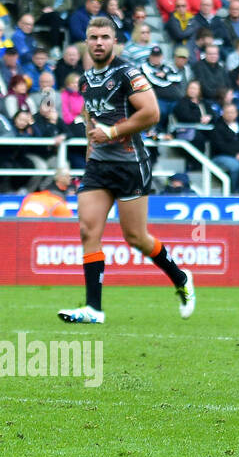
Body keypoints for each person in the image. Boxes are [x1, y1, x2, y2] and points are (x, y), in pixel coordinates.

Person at [57, 18, 196, 324]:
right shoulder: (85, 80)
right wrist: (90, 149)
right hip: (98, 167)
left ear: (115, 41)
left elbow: (152, 113)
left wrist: (111, 132)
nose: (98, 42)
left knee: (135, 237)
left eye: (105, 37)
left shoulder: (127, 73)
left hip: (130, 163)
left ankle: (181, 278)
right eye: (93, 37)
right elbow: (89, 118)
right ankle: (94, 308)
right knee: (87, 231)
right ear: (87, 41)